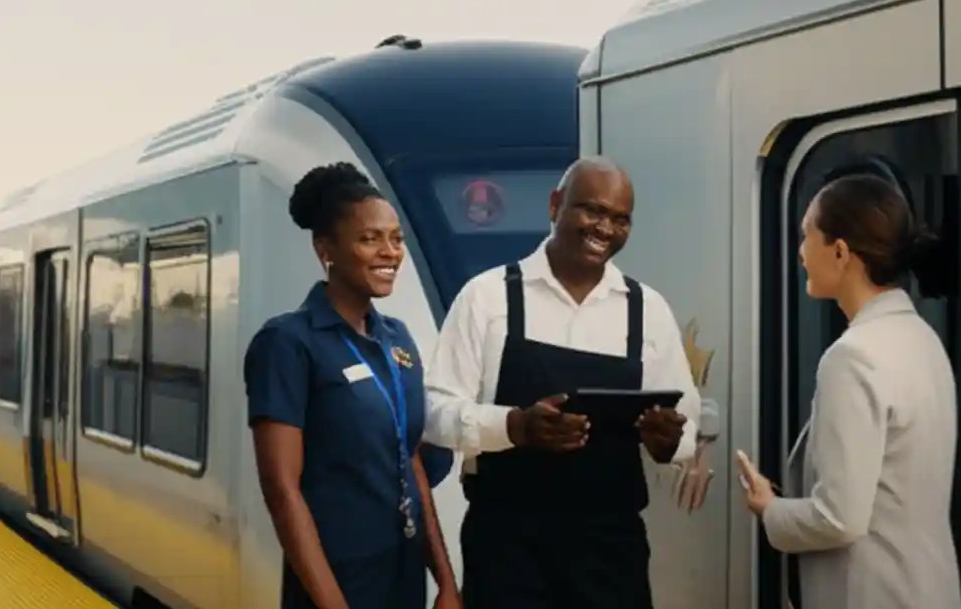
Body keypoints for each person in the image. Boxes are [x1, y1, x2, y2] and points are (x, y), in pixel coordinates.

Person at [423, 156, 701, 609]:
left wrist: (669, 440)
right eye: (592, 211)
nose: (604, 229)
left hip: (610, 552)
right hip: (509, 548)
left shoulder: (647, 309)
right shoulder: (489, 297)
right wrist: (514, 426)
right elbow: (434, 413)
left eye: (619, 219)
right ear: (555, 205)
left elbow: (686, 423)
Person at [736, 173, 961, 609]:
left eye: (806, 236)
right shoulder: (923, 338)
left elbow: (838, 518)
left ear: (839, 252)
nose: (800, 253)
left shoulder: (852, 357)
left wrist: (769, 508)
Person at [244, 162, 461, 609]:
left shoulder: (398, 338)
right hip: (335, 580)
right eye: (369, 239)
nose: (389, 252)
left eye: (396, 238)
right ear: (326, 249)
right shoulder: (288, 342)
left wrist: (445, 580)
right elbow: (282, 491)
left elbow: (410, 459)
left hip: (401, 572)